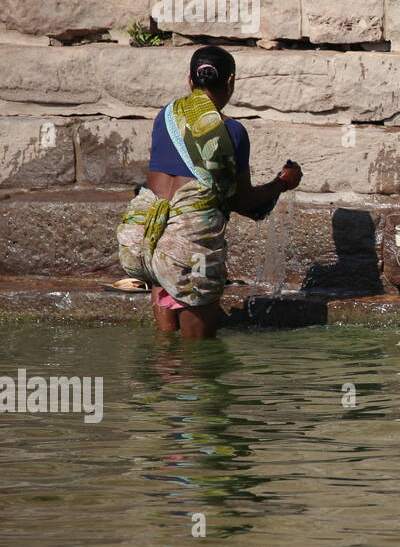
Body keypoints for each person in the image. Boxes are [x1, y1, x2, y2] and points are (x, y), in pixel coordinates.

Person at [116, 46, 302, 339]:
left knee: (166, 351)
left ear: (190, 81)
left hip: (145, 239)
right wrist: (283, 183)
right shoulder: (233, 132)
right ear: (230, 81)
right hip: (187, 248)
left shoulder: (165, 116)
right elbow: (243, 201)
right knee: (198, 357)